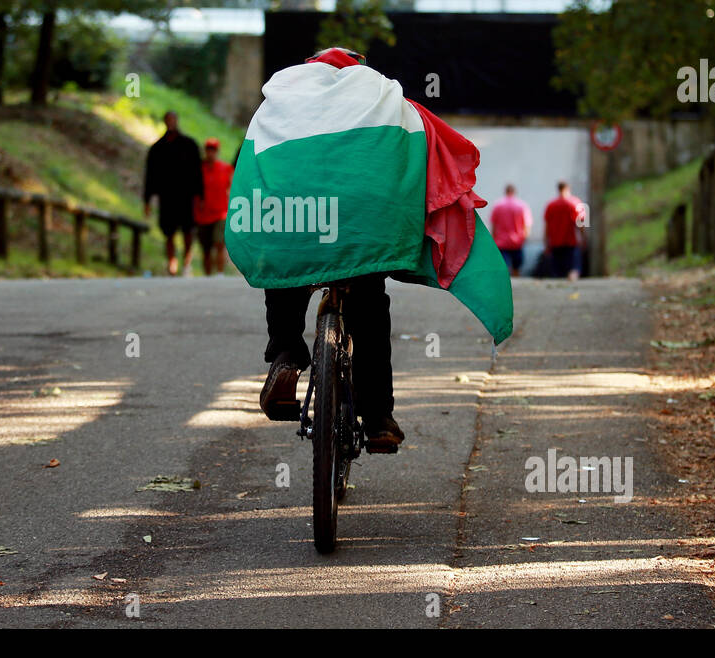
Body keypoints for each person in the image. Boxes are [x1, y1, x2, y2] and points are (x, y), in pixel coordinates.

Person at [229, 47, 514, 454]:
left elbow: (251, 170)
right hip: (364, 224)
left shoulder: (280, 101)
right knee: (369, 305)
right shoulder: (383, 98)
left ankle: (288, 352)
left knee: (285, 269)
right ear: (356, 70)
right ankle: (378, 416)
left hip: (299, 217)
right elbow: (425, 156)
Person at [143, 112, 203, 276]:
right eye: (168, 120)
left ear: (177, 121)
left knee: (188, 231)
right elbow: (150, 175)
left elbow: (198, 172)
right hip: (167, 197)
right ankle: (172, 264)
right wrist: (147, 200)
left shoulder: (189, 145)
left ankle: (187, 263)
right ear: (164, 122)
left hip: (186, 196)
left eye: (173, 120)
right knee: (168, 232)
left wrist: (200, 196)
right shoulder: (157, 148)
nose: (171, 123)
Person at [193, 137, 234, 275]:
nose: (211, 153)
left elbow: (233, 187)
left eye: (213, 150)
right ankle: (208, 276)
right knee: (206, 248)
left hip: (220, 213)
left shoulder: (225, 168)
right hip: (203, 214)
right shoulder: (199, 169)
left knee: (219, 244)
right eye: (208, 150)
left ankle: (220, 273)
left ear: (217, 151)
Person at [543, 180, 584, 281]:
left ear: (558, 189)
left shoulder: (550, 205)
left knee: (558, 272)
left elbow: (547, 225)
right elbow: (581, 223)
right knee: (574, 268)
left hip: (555, 242)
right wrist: (583, 238)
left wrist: (546, 242)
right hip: (571, 242)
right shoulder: (576, 202)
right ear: (568, 188)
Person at [489, 184, 531, 276]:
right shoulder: (522, 206)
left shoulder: (498, 205)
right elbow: (527, 224)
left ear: (505, 191)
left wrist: (493, 238)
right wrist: (525, 238)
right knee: (516, 267)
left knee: (503, 267)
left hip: (501, 242)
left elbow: (494, 224)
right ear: (515, 192)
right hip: (517, 242)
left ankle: (506, 285)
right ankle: (516, 283)